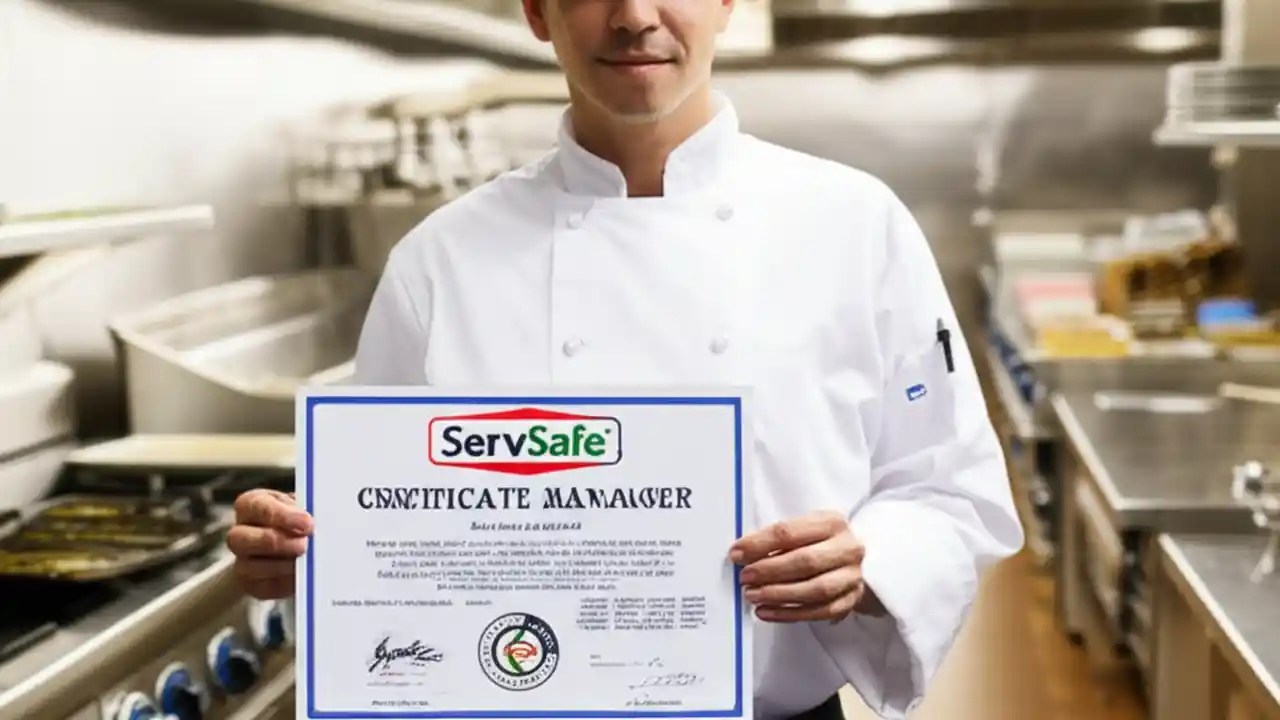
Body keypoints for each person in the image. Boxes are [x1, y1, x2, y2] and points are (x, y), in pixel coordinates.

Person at [226, 0, 1024, 718]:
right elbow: (377, 520)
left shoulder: (855, 226)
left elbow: (950, 489)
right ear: (537, 13)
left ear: (726, 4)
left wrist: (867, 562)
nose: (635, 16)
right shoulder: (439, 262)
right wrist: (303, 549)